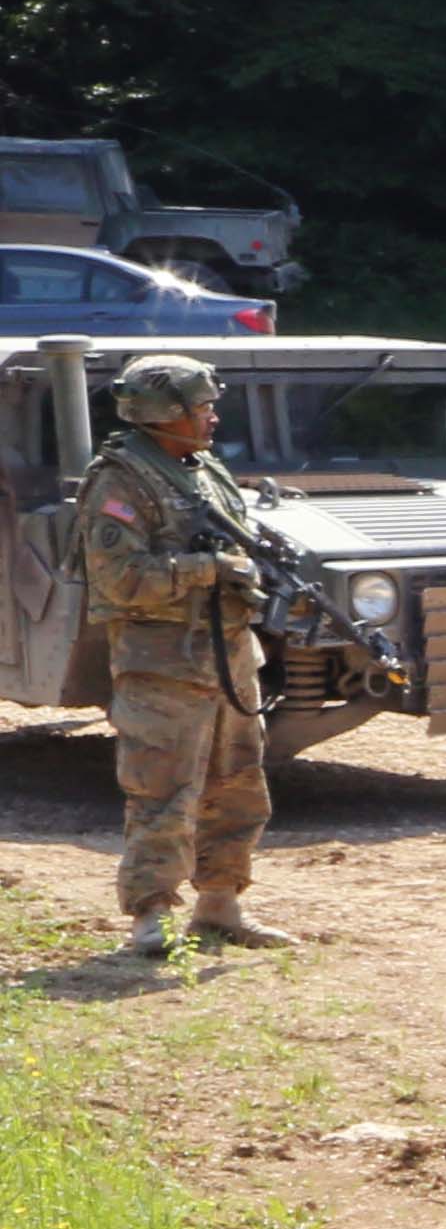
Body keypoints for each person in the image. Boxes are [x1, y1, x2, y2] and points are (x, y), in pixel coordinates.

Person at [75, 354, 296, 962]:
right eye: (202, 408)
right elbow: (117, 580)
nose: (213, 417)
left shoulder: (203, 472)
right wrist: (207, 570)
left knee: (239, 784)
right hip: (162, 663)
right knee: (163, 790)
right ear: (165, 414)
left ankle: (220, 905)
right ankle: (150, 914)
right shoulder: (120, 482)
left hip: (227, 657)